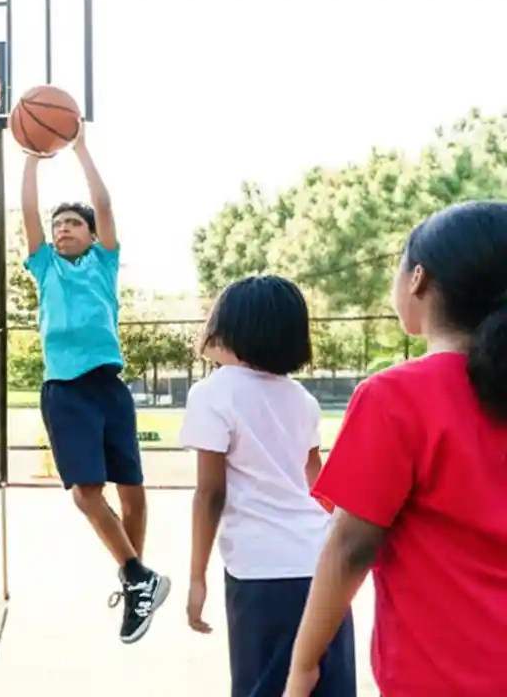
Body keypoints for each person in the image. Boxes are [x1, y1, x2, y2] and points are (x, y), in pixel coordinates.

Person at [286, 200, 507, 697]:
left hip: (440, 678)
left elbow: (350, 547)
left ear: (418, 279)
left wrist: (303, 665)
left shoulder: (398, 397)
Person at [21, 124, 169, 643]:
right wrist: (33, 161)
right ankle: (138, 575)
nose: (62, 229)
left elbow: (102, 204)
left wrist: (80, 149)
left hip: (108, 387)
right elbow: (27, 215)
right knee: (87, 495)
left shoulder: (104, 265)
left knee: (133, 491)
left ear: (89, 234)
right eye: (57, 224)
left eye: (71, 224)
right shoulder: (44, 269)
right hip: (65, 390)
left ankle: (137, 577)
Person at [179, 276, 355, 697]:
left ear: (234, 329)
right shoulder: (302, 399)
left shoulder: (211, 394)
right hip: (321, 563)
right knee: (328, 684)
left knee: (263, 685)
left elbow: (210, 494)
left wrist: (196, 577)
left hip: (261, 572)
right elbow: (320, 484)